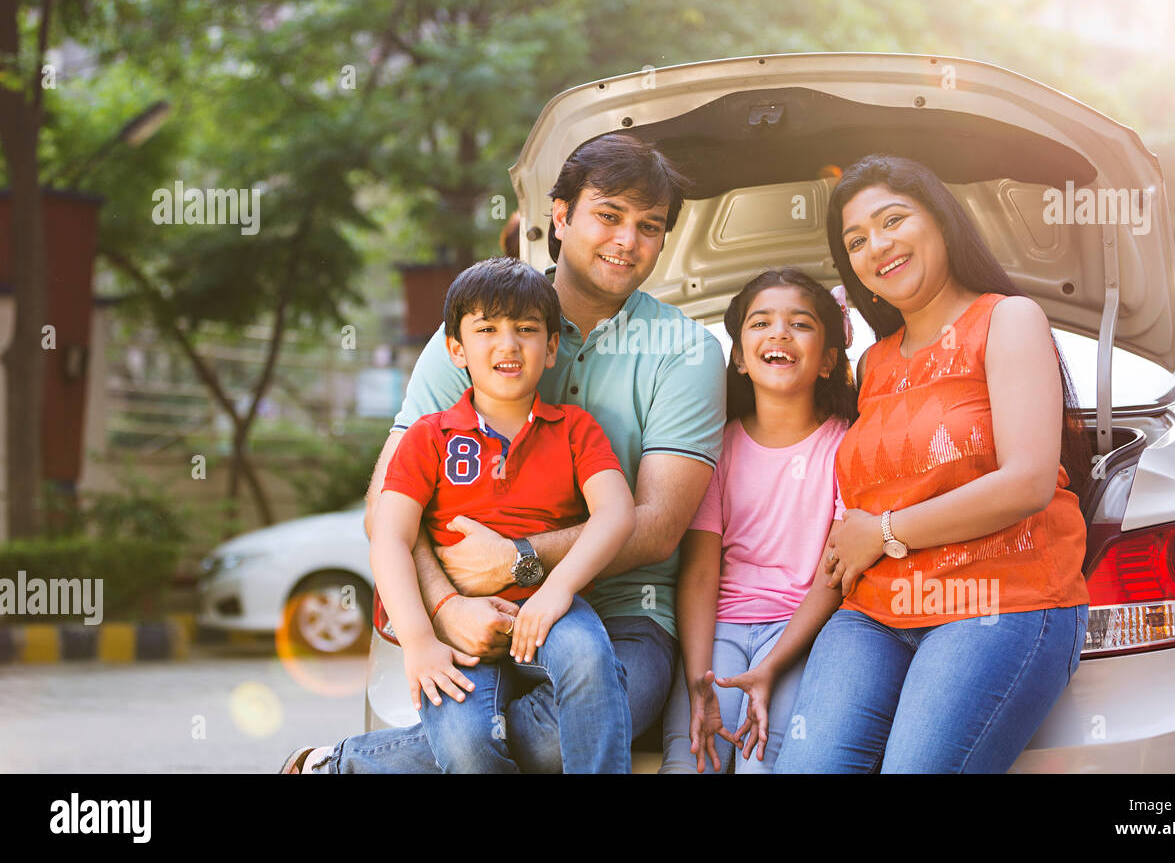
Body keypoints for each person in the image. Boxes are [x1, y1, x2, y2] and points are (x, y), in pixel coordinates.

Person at [283, 133, 725, 773]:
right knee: (478, 731)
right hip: (468, 610)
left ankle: (344, 765)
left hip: (629, 612)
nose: (628, 240)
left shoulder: (686, 351)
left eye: (649, 226)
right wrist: (444, 605)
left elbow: (655, 527)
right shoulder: (472, 330)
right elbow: (388, 506)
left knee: (556, 737)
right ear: (562, 215)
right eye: (609, 215)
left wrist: (520, 562)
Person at [766, 154, 1092, 774]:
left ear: (940, 220)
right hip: (875, 613)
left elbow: (1025, 481)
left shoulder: (1007, 319)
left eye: (893, 220)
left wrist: (883, 532)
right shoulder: (874, 364)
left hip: (999, 599)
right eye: (856, 241)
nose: (876, 246)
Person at [370, 256, 635, 772]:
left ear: (552, 346)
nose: (508, 344)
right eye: (487, 328)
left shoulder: (574, 429)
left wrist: (557, 591)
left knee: (589, 660)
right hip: (455, 623)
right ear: (456, 349)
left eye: (527, 329)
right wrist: (420, 640)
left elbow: (617, 515)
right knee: (467, 745)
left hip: (552, 606)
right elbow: (389, 537)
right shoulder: (430, 435)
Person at [658, 269, 857, 774]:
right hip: (720, 631)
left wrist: (770, 668)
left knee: (760, 765)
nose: (779, 334)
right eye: (761, 323)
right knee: (691, 760)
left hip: (798, 635)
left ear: (829, 360)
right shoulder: (716, 446)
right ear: (741, 359)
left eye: (800, 324)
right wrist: (700, 679)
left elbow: (832, 576)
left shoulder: (846, 448)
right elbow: (701, 573)